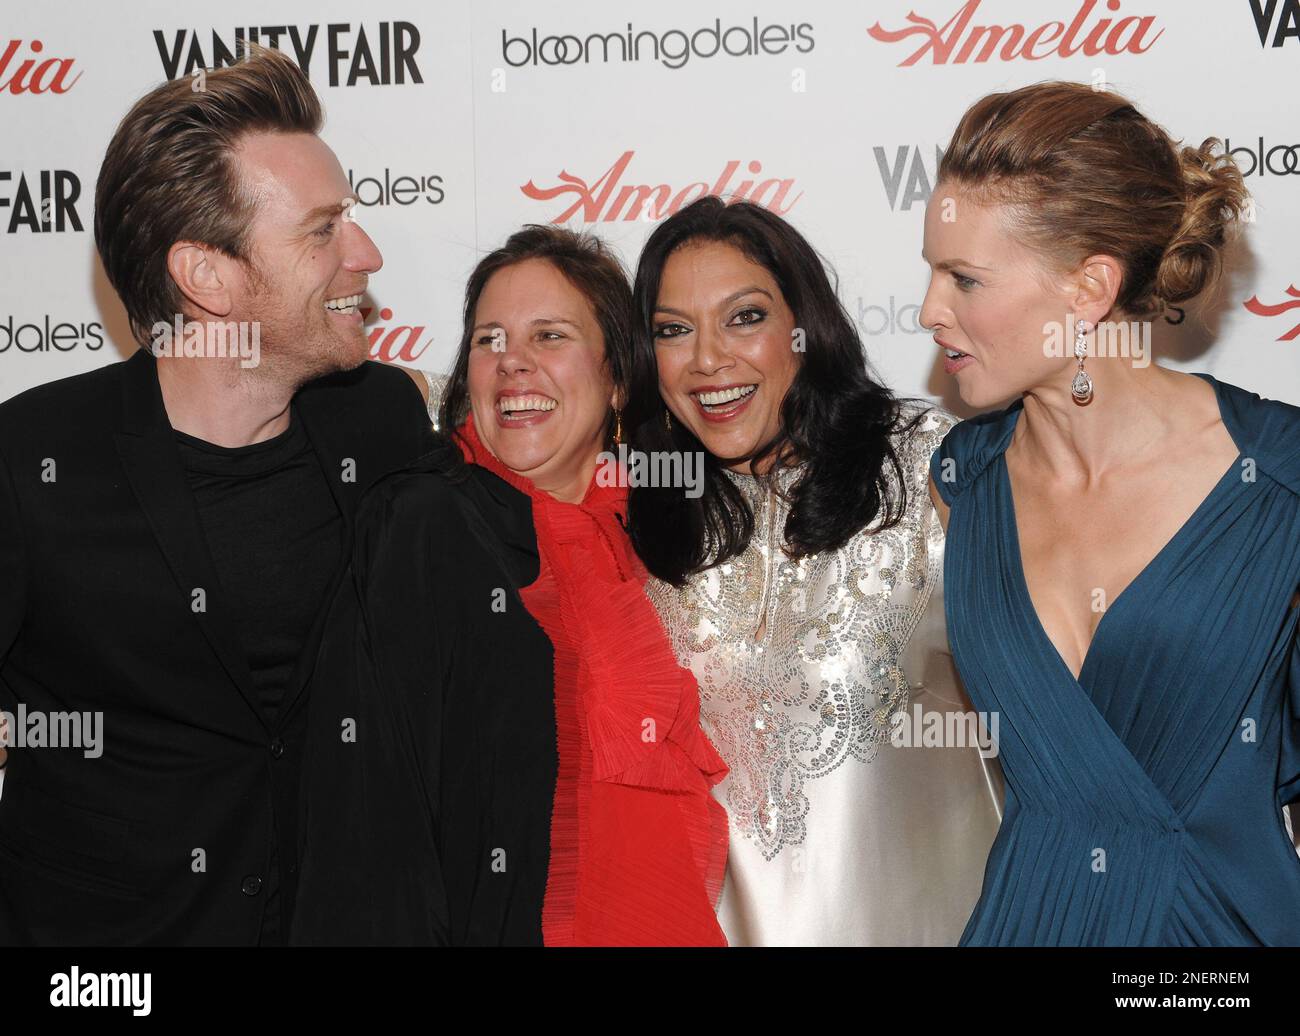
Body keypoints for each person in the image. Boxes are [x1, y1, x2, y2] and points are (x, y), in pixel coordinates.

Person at [0, 46, 437, 945]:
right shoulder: (31, 461)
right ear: (207, 277)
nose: (367, 252)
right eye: (323, 230)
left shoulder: (383, 422)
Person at [922, 80, 1300, 945]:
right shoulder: (965, 483)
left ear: (1088, 288)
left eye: (964, 279)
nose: (929, 310)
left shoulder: (1280, 482)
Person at [297, 225, 729, 946]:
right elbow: (372, 818)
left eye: (549, 336)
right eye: (488, 341)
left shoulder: (652, 539)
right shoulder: (425, 519)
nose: (513, 364)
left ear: (618, 377)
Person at [627, 197, 1004, 946]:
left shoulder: (934, 470)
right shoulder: (641, 516)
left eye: (745, 318)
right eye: (673, 330)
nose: (708, 359)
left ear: (805, 329)